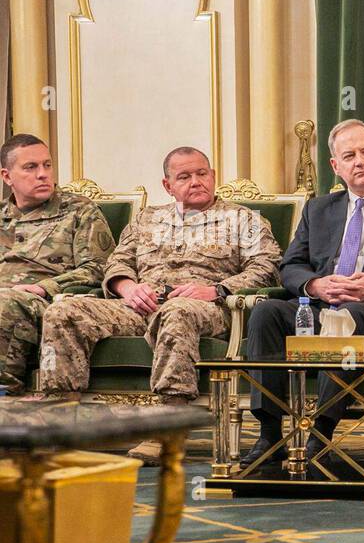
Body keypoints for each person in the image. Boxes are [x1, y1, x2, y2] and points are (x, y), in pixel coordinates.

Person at [39, 146, 279, 463]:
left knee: (176, 311)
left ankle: (166, 429)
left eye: (202, 173)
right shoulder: (147, 220)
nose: (196, 181)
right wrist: (127, 287)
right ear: (167, 185)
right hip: (141, 306)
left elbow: (267, 268)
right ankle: (59, 421)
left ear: (213, 176)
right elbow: (116, 263)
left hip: (207, 308)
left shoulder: (242, 220)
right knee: (63, 310)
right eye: (184, 176)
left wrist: (217, 289)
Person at [239, 119, 364, 474]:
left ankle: (320, 434)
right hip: (317, 305)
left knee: (350, 316)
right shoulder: (318, 209)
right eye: (349, 155)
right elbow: (290, 265)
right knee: (265, 313)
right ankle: (270, 434)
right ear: (336, 165)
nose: (359, 161)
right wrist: (315, 286)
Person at [0, 133, 114, 393]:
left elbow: (98, 270)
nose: (42, 174)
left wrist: (44, 287)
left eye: (47, 165)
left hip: (50, 305)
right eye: (31, 167)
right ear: (7, 177)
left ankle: (4, 399)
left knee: (5, 302)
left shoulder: (78, 211)